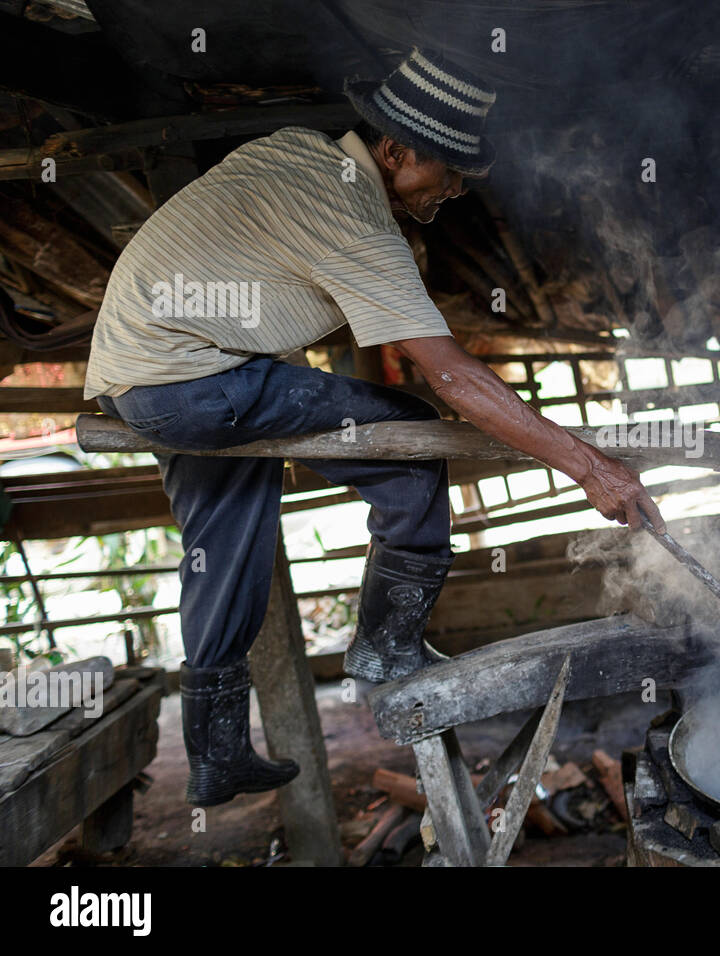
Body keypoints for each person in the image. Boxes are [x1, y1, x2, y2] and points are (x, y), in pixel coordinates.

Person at [83, 47, 665, 807]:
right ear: (394, 150)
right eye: (448, 170)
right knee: (411, 443)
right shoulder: (356, 218)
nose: (454, 190)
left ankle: (215, 750)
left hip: (146, 381)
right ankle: (386, 648)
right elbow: (451, 375)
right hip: (196, 378)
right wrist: (591, 467)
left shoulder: (290, 151)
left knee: (222, 542)